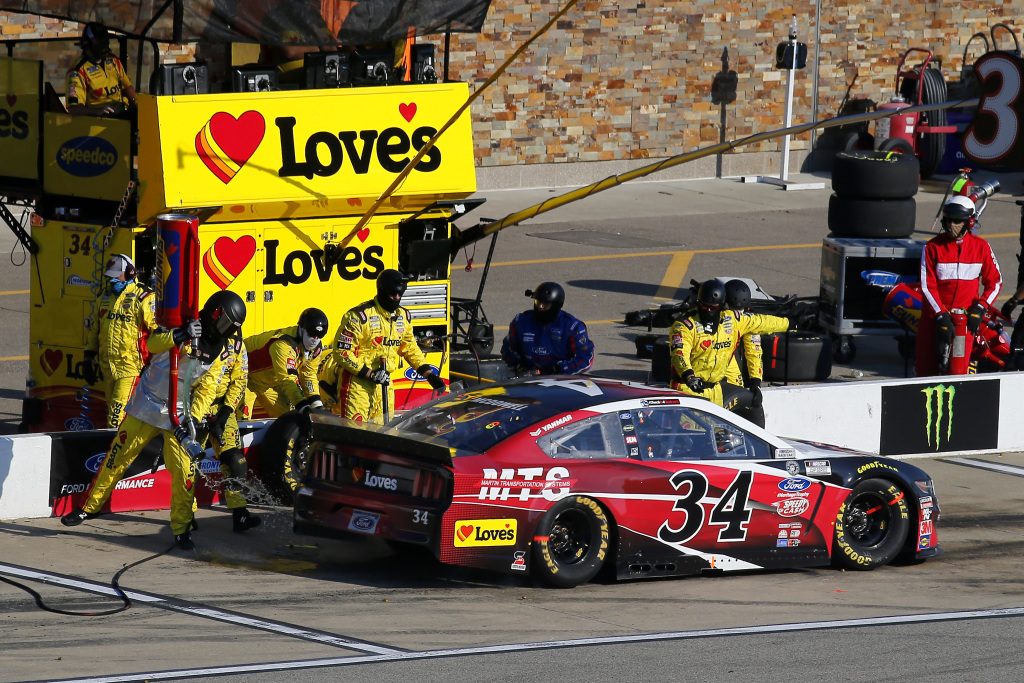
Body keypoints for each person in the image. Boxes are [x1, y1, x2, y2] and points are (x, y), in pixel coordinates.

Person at [61, 291, 247, 551]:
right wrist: (179, 334)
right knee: (117, 457)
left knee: (185, 474)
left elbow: (207, 388)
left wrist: (193, 417)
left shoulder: (220, 350)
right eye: (224, 324)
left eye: (231, 328)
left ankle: (182, 529)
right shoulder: (182, 322)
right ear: (215, 314)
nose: (225, 332)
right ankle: (88, 508)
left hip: (178, 414)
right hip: (147, 402)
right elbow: (153, 344)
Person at [669, 280, 795, 421]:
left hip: (715, 392)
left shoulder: (733, 320)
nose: (708, 310)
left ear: (722, 305)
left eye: (713, 307)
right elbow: (679, 354)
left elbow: (762, 322)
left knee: (714, 432)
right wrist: (689, 376)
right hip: (687, 390)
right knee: (687, 433)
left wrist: (791, 323)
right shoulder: (684, 325)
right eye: (705, 306)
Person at [331, 269, 446, 423]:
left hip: (385, 385)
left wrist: (429, 375)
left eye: (400, 295)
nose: (397, 298)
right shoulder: (358, 317)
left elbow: (410, 348)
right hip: (357, 385)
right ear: (382, 291)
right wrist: (370, 374)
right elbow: (341, 352)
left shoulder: (403, 317)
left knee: (385, 432)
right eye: (393, 295)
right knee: (355, 433)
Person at [917, 196, 1002, 377]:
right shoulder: (932, 248)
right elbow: (927, 286)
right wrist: (940, 315)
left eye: (957, 221)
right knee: (925, 370)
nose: (951, 225)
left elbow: (995, 282)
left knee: (958, 371)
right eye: (948, 220)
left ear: (969, 222)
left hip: (965, 321)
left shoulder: (982, 247)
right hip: (934, 320)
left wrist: (980, 308)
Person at [83, 254, 158, 428]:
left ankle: (114, 446)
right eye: (110, 276)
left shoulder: (144, 297)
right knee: (116, 417)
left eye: (116, 276)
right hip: (108, 368)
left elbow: (158, 333)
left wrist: (154, 366)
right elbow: (95, 330)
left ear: (131, 273)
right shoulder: (104, 296)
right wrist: (88, 359)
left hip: (130, 368)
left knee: (115, 420)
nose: (112, 280)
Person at [202, 326, 262, 532]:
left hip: (223, 409)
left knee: (236, 462)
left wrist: (225, 413)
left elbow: (240, 381)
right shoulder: (202, 337)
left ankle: (240, 515)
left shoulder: (238, 345)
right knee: (188, 464)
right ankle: (185, 516)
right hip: (196, 406)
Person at [240, 308, 329, 420]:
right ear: (302, 329)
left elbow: (308, 374)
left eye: (320, 335)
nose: (315, 339)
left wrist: (316, 403)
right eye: (311, 334)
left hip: (272, 382)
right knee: (241, 421)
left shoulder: (315, 349)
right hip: (246, 378)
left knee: (288, 419)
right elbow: (287, 377)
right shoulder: (283, 344)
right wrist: (302, 405)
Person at [501, 282, 595, 376]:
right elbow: (508, 348)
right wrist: (519, 365)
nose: (540, 306)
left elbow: (585, 358)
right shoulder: (521, 321)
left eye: (545, 303)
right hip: (527, 377)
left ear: (556, 305)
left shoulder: (572, 326)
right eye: (538, 302)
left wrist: (557, 369)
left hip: (560, 379)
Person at [723, 279, 768, 427]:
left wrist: (755, 381)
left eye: (740, 309)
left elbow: (754, 352)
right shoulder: (712, 317)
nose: (737, 314)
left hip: (734, 379)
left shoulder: (749, 320)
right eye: (733, 309)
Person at [65, 23, 136, 117]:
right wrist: (98, 112)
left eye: (105, 40)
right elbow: (74, 108)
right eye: (99, 41)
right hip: (99, 120)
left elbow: (127, 86)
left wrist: (136, 104)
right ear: (87, 43)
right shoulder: (77, 71)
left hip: (123, 114)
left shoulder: (113, 60)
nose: (104, 44)